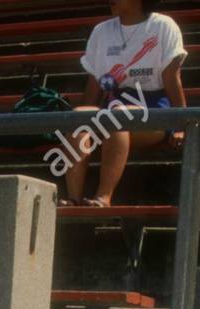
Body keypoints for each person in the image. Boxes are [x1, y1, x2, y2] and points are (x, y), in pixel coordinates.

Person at [59, 0, 187, 207]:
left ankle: (103, 197)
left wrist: (180, 124)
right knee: (79, 117)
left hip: (154, 108)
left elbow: (172, 77)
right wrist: (85, 119)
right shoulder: (102, 31)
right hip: (114, 105)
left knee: (117, 117)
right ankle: (73, 198)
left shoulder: (164, 25)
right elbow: (94, 84)